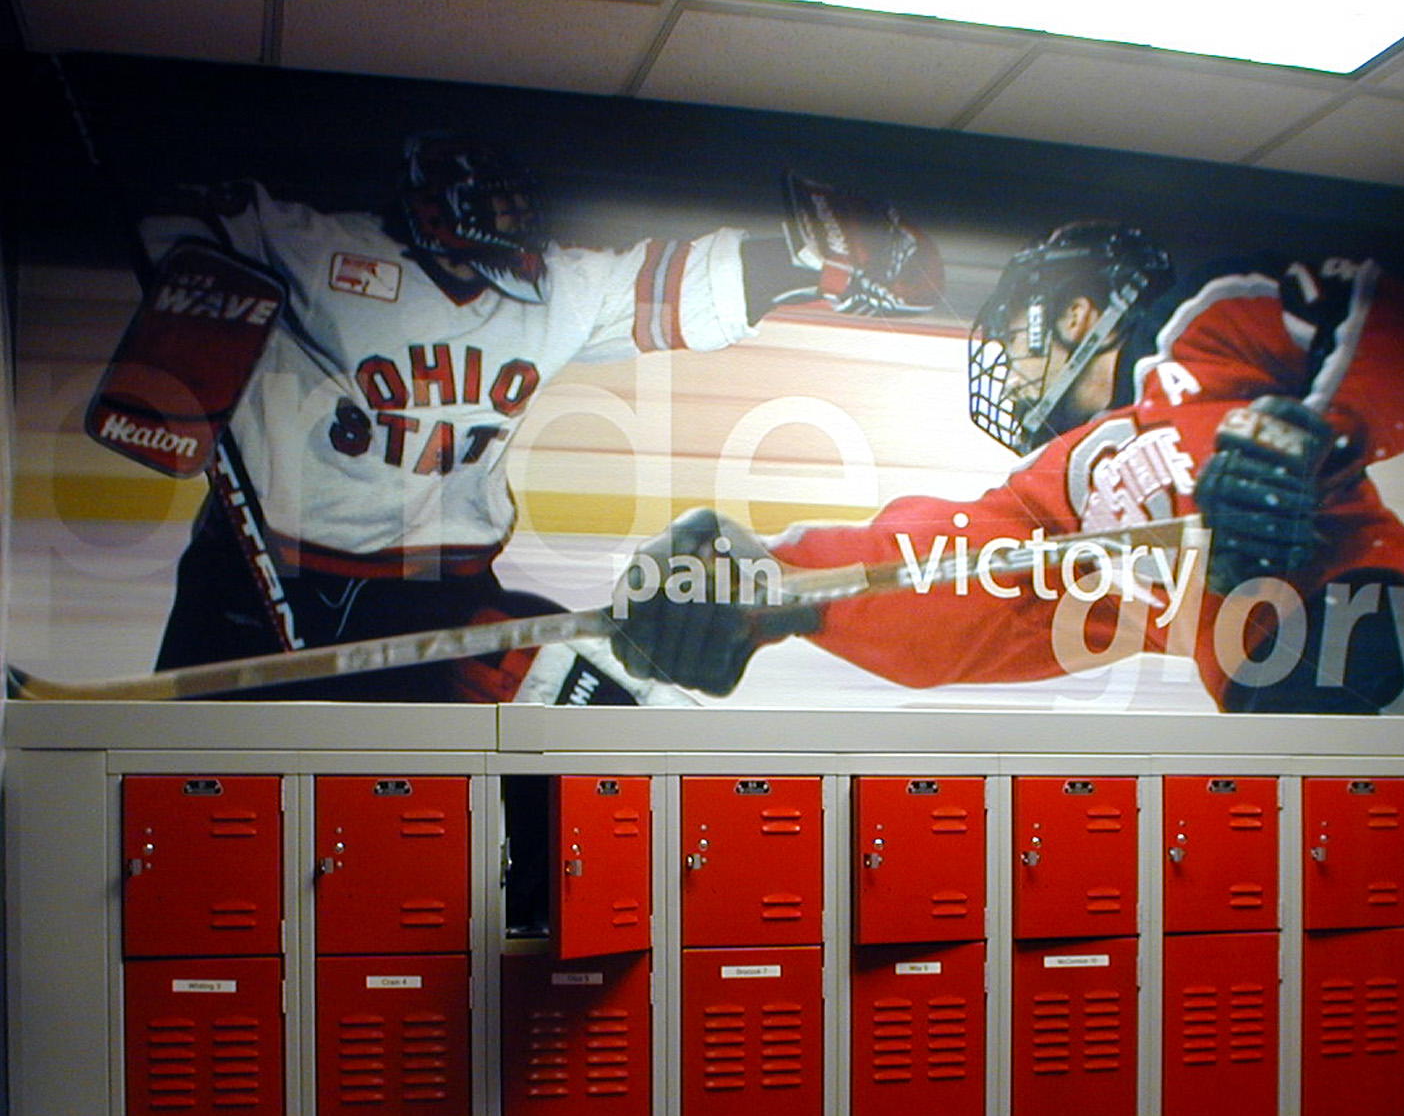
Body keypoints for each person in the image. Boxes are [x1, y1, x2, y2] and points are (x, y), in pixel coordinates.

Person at [96, 131, 942, 702]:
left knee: (576, 717)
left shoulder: (553, 289)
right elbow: (188, 219)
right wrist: (189, 275)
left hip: (437, 591)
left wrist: (807, 260)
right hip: (261, 574)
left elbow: (674, 279)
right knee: (190, 772)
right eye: (488, 209)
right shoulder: (323, 249)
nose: (511, 228)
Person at [609, 220, 1404, 713]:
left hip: (1392, 610)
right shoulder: (1055, 486)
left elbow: (1391, 339)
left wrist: (1299, 438)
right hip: (1272, 692)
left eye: (1018, 338)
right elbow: (955, 577)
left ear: (1076, 312)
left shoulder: (1196, 324)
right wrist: (777, 586)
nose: (1012, 374)